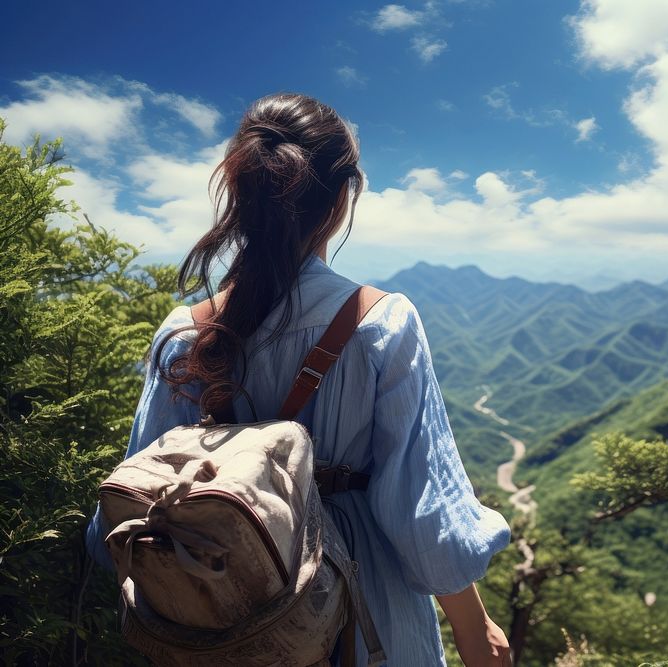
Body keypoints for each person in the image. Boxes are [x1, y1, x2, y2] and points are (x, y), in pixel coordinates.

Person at [85, 92, 513, 666]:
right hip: (364, 613)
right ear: (342, 199)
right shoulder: (381, 324)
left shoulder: (186, 334)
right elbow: (421, 514)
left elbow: (128, 510)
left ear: (240, 191)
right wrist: (474, 627)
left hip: (222, 620)